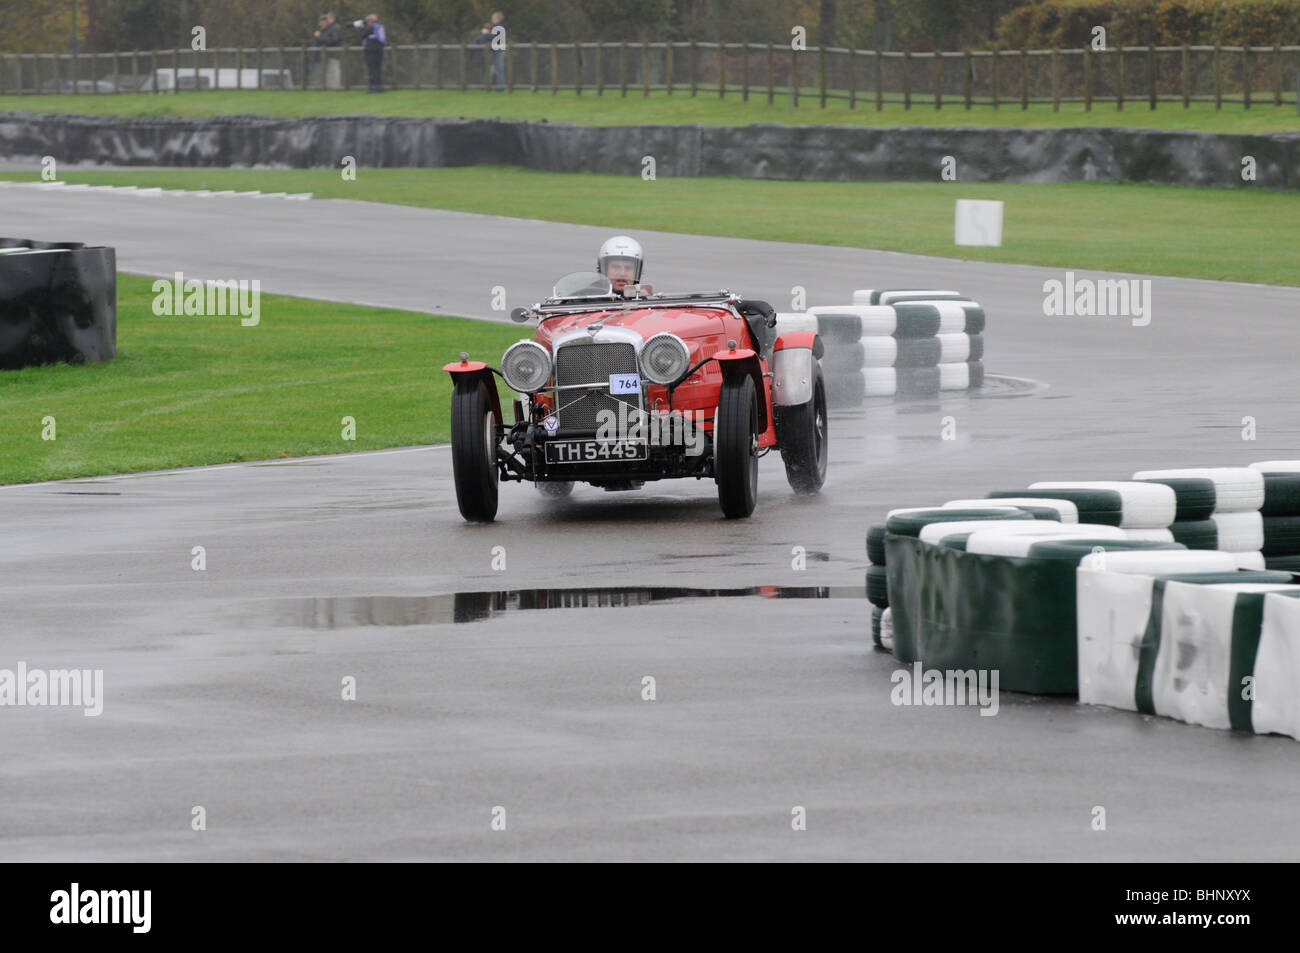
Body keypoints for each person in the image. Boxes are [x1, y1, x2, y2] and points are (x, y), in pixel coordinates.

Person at [472, 12, 507, 87]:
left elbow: (493, 37)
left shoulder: (498, 27)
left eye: (493, 18)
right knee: (496, 69)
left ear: (496, 19)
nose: (492, 20)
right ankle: (497, 85)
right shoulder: (499, 27)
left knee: (498, 69)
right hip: (498, 50)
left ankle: (500, 87)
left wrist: (484, 34)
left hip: (498, 50)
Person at [311, 12, 342, 89]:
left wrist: (320, 37)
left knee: (333, 71)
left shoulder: (335, 27)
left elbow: (334, 40)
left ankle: (334, 87)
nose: (327, 20)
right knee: (329, 71)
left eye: (328, 18)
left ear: (332, 19)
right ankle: (329, 87)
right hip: (327, 54)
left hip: (333, 53)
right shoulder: (328, 28)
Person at [358, 13, 387, 93]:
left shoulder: (371, 27)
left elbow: (362, 35)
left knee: (372, 70)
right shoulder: (379, 27)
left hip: (371, 51)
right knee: (377, 69)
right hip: (379, 50)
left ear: (370, 21)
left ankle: (373, 88)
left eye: (367, 21)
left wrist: (361, 27)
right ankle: (379, 87)